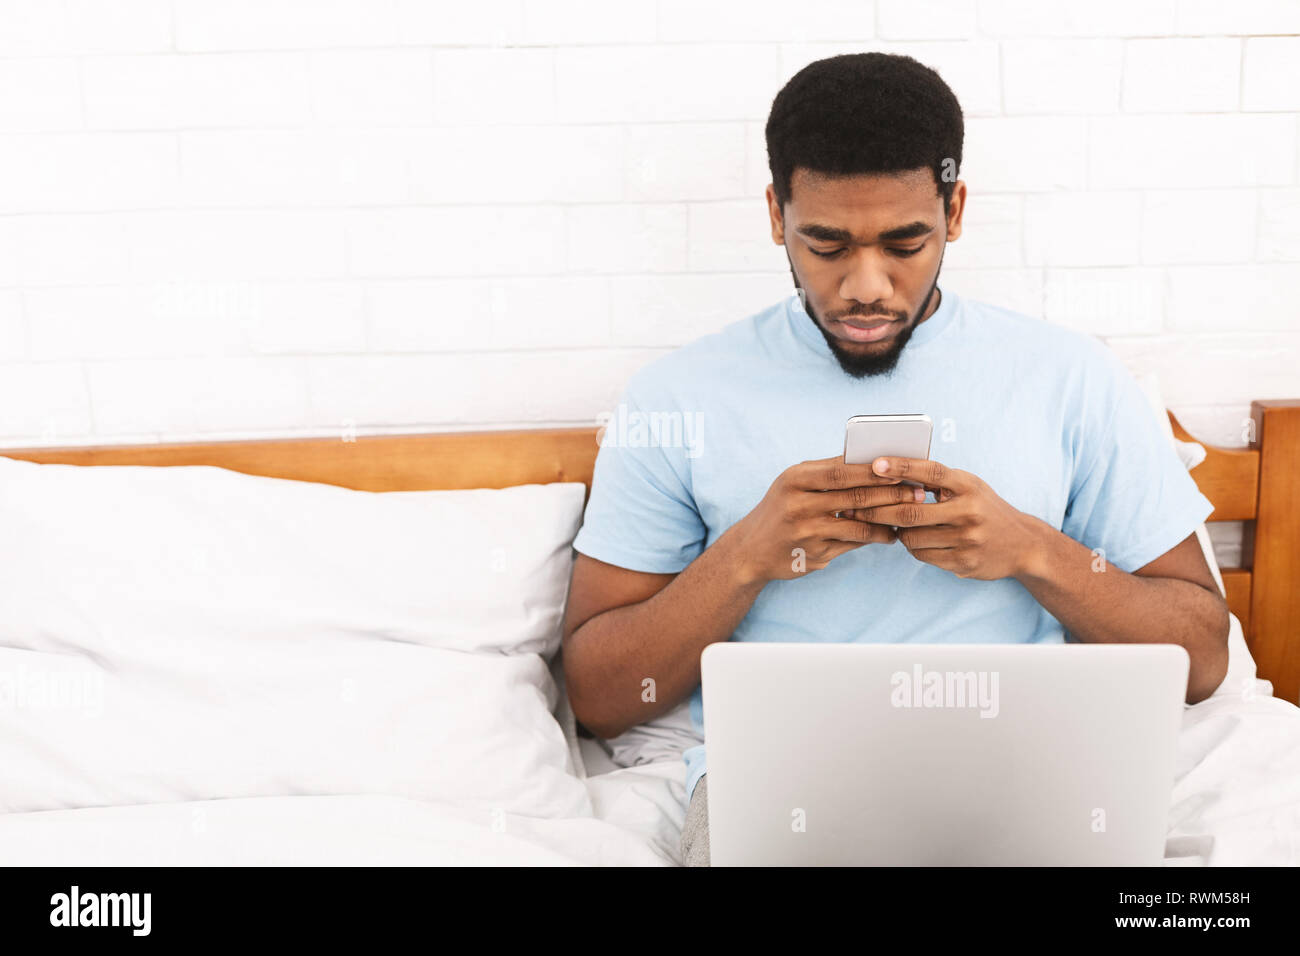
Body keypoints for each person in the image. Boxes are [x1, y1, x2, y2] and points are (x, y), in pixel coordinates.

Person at [561, 52, 1228, 867]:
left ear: (954, 211)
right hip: (781, 787)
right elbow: (598, 697)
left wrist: (1032, 551)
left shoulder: (1072, 379)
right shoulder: (676, 397)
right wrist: (745, 556)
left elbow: (1200, 659)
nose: (864, 287)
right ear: (777, 215)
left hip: (1025, 770)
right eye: (826, 244)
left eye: (904, 242)